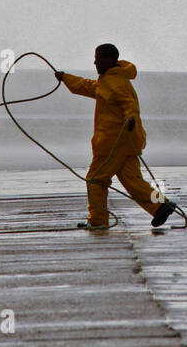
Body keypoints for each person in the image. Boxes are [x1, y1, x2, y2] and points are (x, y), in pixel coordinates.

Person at [56, 44, 179, 230]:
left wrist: (130, 119)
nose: (95, 62)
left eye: (98, 58)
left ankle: (97, 220)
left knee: (95, 180)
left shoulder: (116, 83)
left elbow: (129, 106)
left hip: (113, 143)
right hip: (125, 142)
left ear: (109, 60)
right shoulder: (110, 79)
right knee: (133, 180)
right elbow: (90, 87)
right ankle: (160, 206)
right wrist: (66, 78)